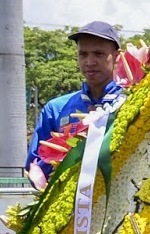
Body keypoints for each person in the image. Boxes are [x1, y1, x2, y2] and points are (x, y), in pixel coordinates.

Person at [25, 20, 123, 170]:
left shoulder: (130, 101)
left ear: (116, 56)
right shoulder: (55, 109)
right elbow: (35, 167)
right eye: (83, 54)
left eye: (98, 54)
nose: (90, 62)